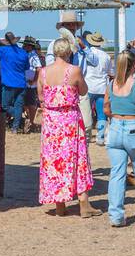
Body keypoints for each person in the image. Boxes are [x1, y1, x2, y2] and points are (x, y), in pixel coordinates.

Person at [37, 39, 97, 216]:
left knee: (54, 161)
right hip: (70, 119)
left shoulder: (43, 72)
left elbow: (41, 96)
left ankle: (60, 205)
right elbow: (84, 90)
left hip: (51, 122)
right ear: (69, 52)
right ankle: (84, 203)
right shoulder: (74, 71)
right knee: (78, 158)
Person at [103, 50, 135, 226]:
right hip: (133, 128)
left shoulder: (111, 84)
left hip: (115, 127)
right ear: (133, 66)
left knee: (117, 174)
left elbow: (106, 109)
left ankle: (116, 215)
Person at [48, 12, 96, 136]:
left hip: (79, 86)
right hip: (61, 87)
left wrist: (84, 47)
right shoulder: (54, 44)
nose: (71, 27)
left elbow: (95, 62)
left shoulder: (83, 44)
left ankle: (82, 149)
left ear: (76, 26)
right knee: (62, 125)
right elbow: (49, 65)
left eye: (73, 24)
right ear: (63, 26)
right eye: (68, 24)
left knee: (86, 125)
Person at [0, 32, 31, 132]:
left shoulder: (3, 50)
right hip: (22, 83)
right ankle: (15, 128)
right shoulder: (23, 53)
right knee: (18, 105)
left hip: (9, 84)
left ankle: (21, 121)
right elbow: (27, 67)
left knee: (5, 105)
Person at [82, 31, 115, 139]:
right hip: (102, 87)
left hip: (89, 86)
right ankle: (100, 136)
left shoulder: (87, 53)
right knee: (102, 113)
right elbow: (111, 72)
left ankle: (86, 133)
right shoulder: (106, 56)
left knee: (86, 111)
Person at [22, 37, 44, 133]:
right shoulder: (28, 55)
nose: (23, 46)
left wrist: (34, 80)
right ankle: (31, 121)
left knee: (30, 104)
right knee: (27, 103)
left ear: (29, 46)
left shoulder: (34, 56)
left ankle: (32, 122)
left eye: (25, 45)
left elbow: (39, 69)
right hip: (27, 82)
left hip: (30, 83)